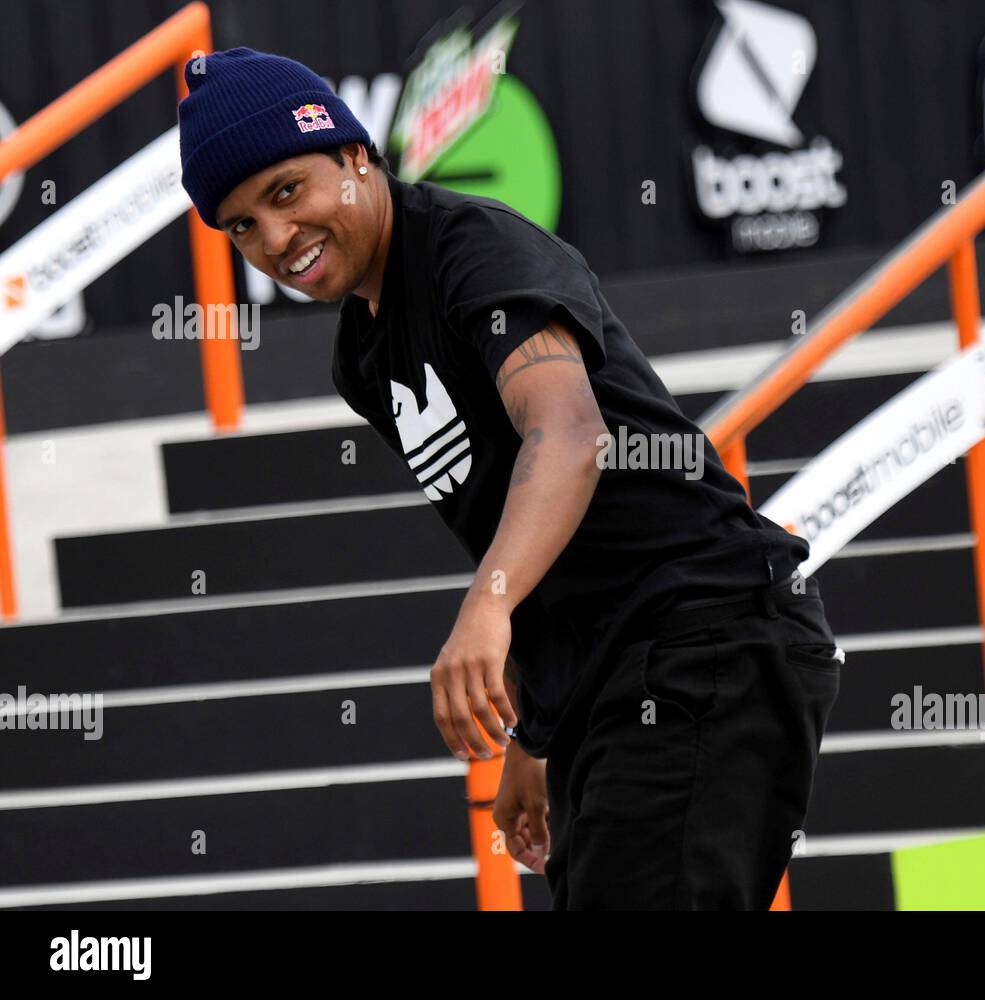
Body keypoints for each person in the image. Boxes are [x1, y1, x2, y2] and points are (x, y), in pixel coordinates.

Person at [177, 47, 841, 910]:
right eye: (240, 227)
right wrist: (536, 728)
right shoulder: (362, 353)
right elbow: (512, 520)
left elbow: (568, 435)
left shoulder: (469, 247)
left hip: (707, 633)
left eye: (285, 193)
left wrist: (485, 606)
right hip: (615, 676)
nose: (273, 240)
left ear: (353, 157)